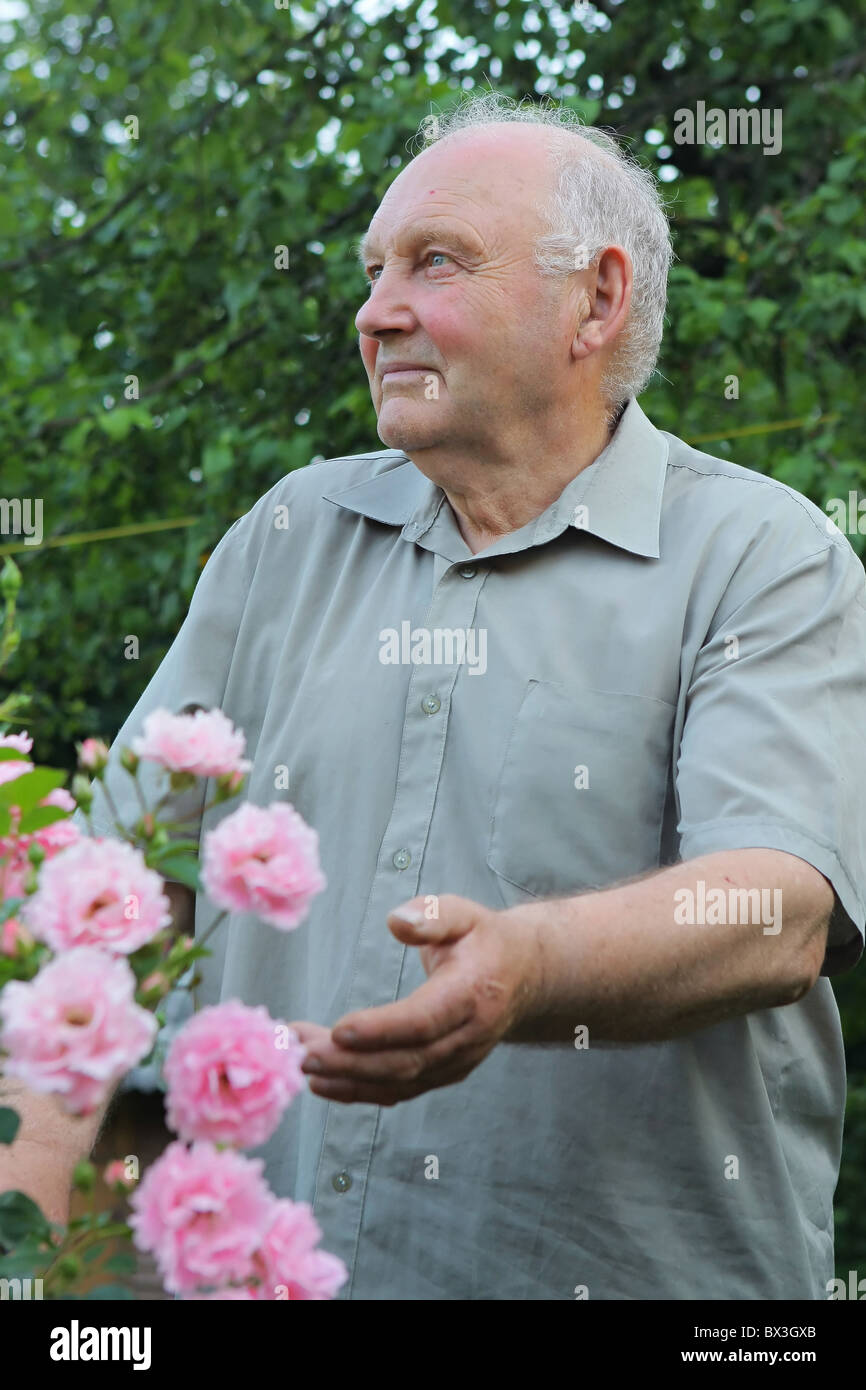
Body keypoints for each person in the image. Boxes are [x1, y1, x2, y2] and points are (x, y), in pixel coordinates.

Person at [16, 92, 866, 1299]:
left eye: (434, 263)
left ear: (597, 299)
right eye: (372, 271)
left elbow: (774, 912)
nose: (375, 312)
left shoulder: (761, 555)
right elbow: (101, 917)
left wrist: (528, 963)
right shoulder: (286, 535)